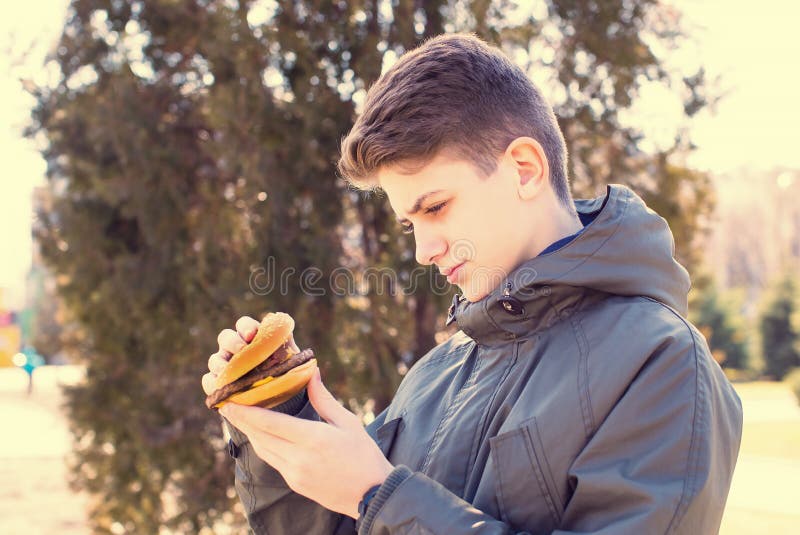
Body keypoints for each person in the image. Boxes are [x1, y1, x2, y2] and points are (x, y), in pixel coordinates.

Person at [202, 33, 743, 534]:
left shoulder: (663, 364)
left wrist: (377, 495)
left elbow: (376, 505)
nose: (422, 250)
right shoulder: (440, 369)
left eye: (436, 206)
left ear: (524, 169)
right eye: (411, 223)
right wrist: (277, 417)